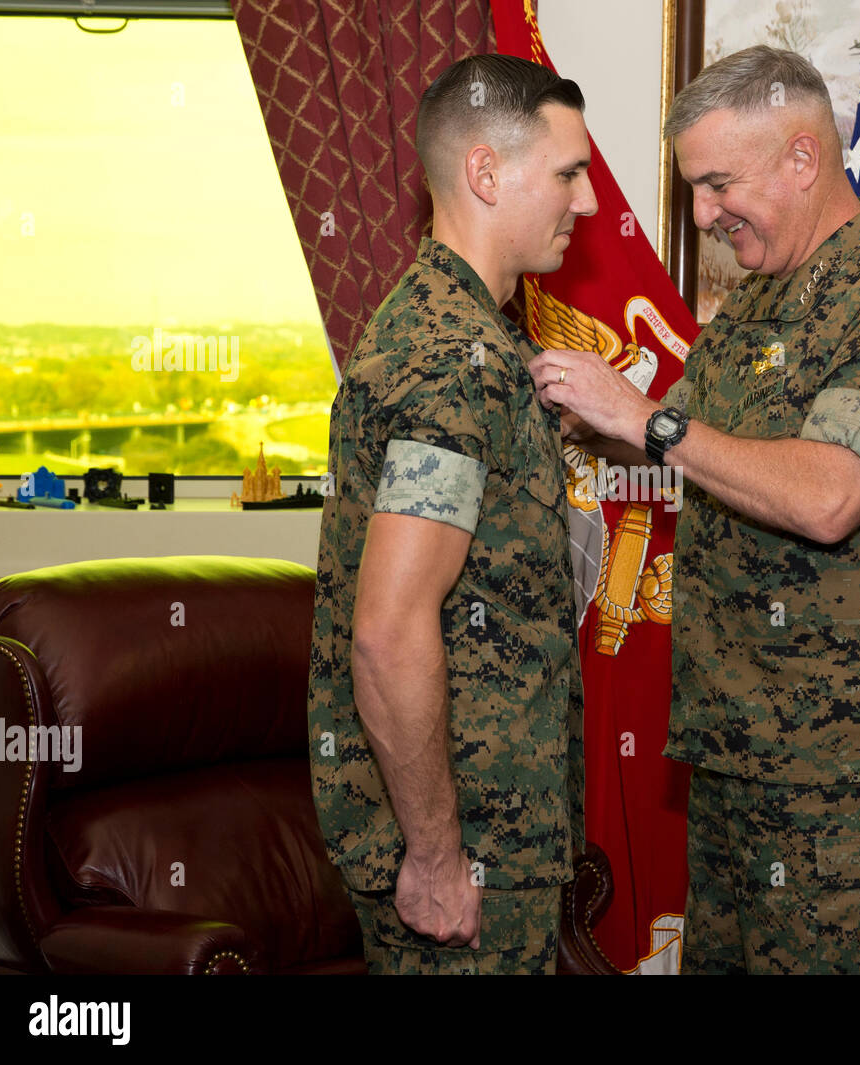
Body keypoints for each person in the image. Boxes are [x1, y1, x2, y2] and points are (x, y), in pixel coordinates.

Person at [530, 45, 860, 974]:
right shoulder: (751, 309)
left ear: (803, 160)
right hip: (736, 760)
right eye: (694, 189)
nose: (703, 215)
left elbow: (827, 495)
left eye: (718, 184)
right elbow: (710, 452)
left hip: (855, 787)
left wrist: (646, 421)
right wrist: (579, 421)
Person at [308, 53, 597, 975]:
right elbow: (390, 630)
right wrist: (436, 857)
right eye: (567, 173)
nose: (586, 202)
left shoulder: (475, 339)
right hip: (466, 853)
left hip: (495, 835)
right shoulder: (450, 358)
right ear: (484, 172)